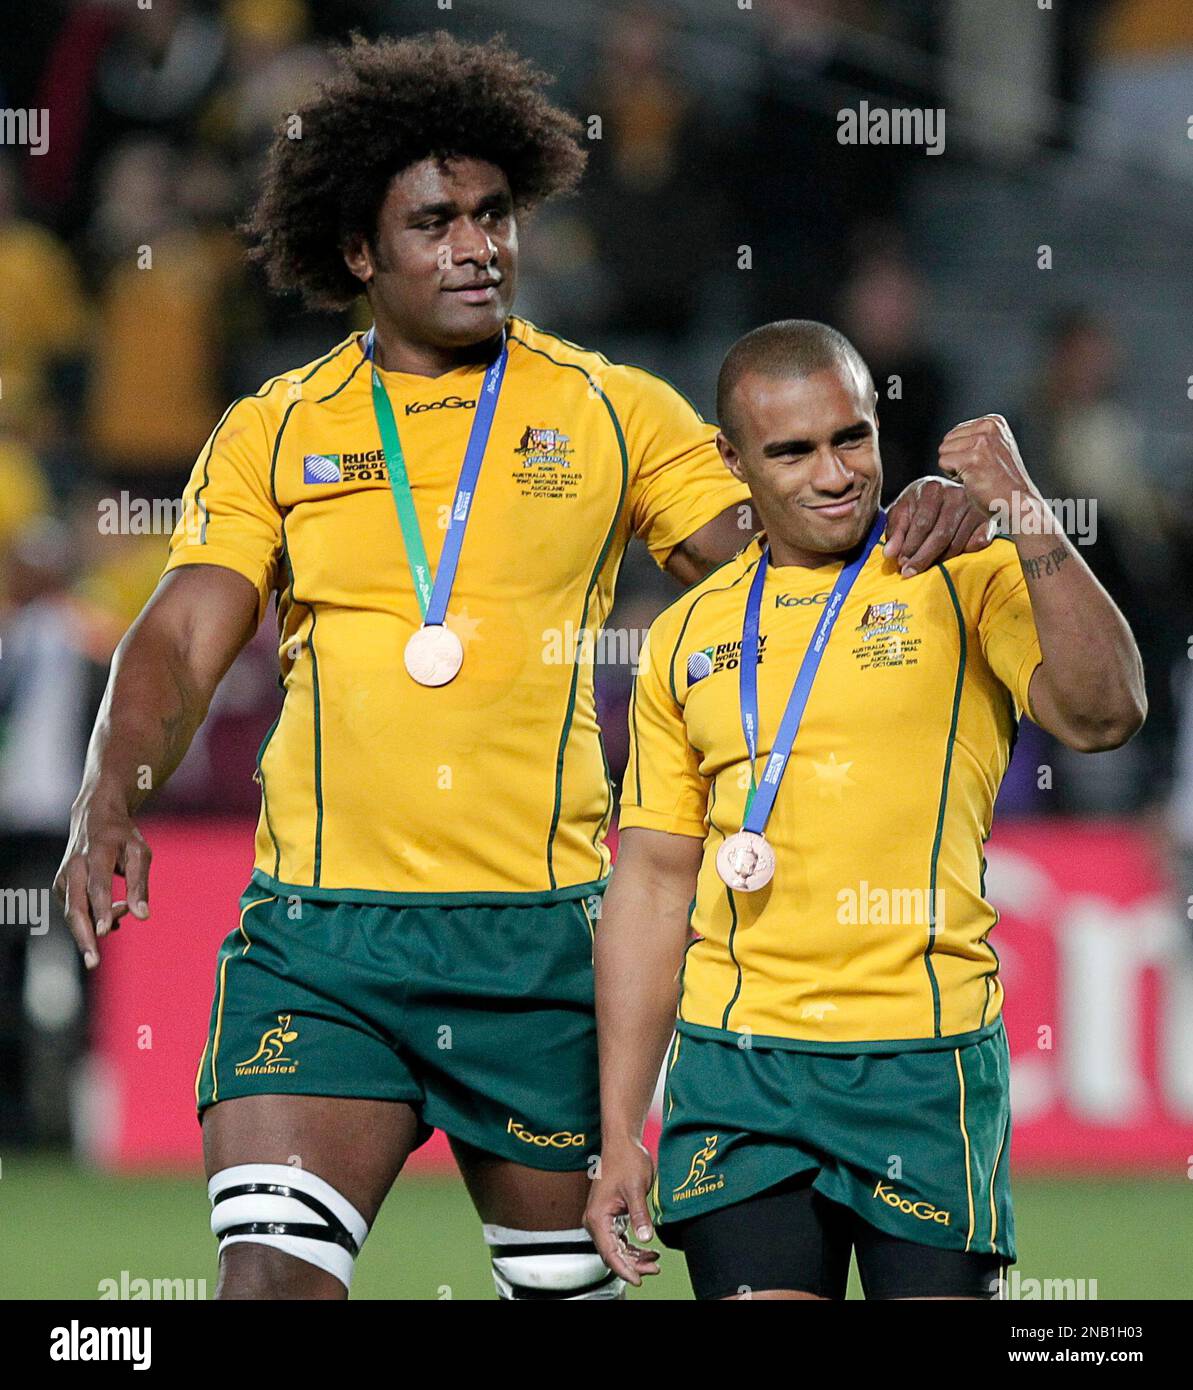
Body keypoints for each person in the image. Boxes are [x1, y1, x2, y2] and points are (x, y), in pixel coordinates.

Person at [55, 37, 984, 1302]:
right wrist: (110, 788)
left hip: (543, 952)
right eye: (434, 221)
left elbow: (800, 547)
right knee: (267, 1285)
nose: (476, 245)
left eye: (492, 214)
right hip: (326, 947)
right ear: (359, 253)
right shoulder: (275, 430)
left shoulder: (614, 412)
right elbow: (174, 637)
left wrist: (926, 504)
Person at [585, 320, 1145, 1300]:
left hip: (921, 1070)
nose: (833, 472)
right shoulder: (684, 635)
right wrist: (619, 1128)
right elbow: (652, 882)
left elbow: (1105, 712)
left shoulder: (960, 574)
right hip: (738, 1075)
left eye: (849, 437)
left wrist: (1019, 505)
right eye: (790, 451)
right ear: (731, 461)